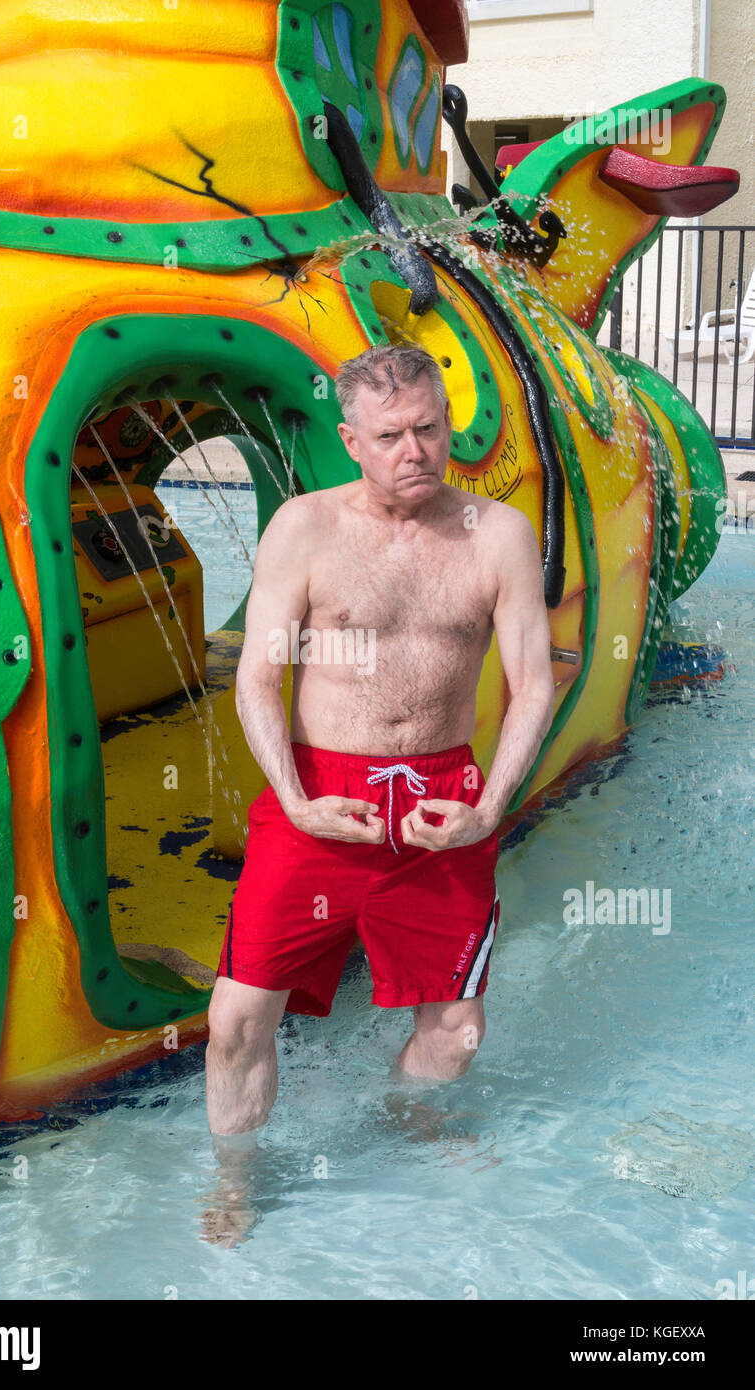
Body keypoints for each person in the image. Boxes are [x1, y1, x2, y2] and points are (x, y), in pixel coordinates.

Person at [206, 342, 555, 1154]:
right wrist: (295, 800)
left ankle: (398, 1133)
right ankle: (235, 1179)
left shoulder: (497, 534)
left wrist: (490, 808)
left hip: (444, 803)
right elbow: (256, 680)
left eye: (429, 430)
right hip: (322, 795)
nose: (415, 452)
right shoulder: (306, 529)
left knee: (458, 1028)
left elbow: (533, 684)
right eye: (391, 436)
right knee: (235, 1018)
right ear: (350, 439)